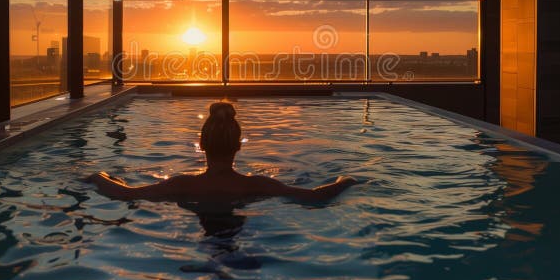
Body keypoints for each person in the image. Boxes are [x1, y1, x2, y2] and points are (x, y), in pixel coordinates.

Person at [87, 102, 358, 203]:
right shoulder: (257, 184)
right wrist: (346, 181)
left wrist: (99, 176)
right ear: (239, 147)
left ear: (201, 145)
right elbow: (315, 197)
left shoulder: (182, 184)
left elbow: (126, 194)